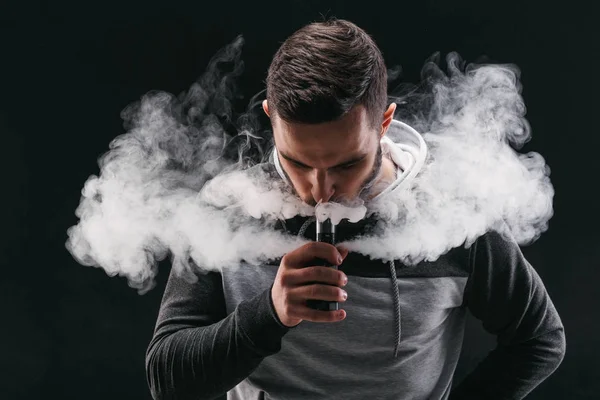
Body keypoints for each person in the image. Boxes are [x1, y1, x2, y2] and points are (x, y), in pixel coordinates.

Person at [145, 18, 566, 400]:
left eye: (347, 164)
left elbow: (540, 340)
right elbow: (167, 381)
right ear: (271, 118)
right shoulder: (227, 208)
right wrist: (269, 312)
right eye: (298, 162)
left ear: (383, 123)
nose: (320, 191)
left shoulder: (452, 211)